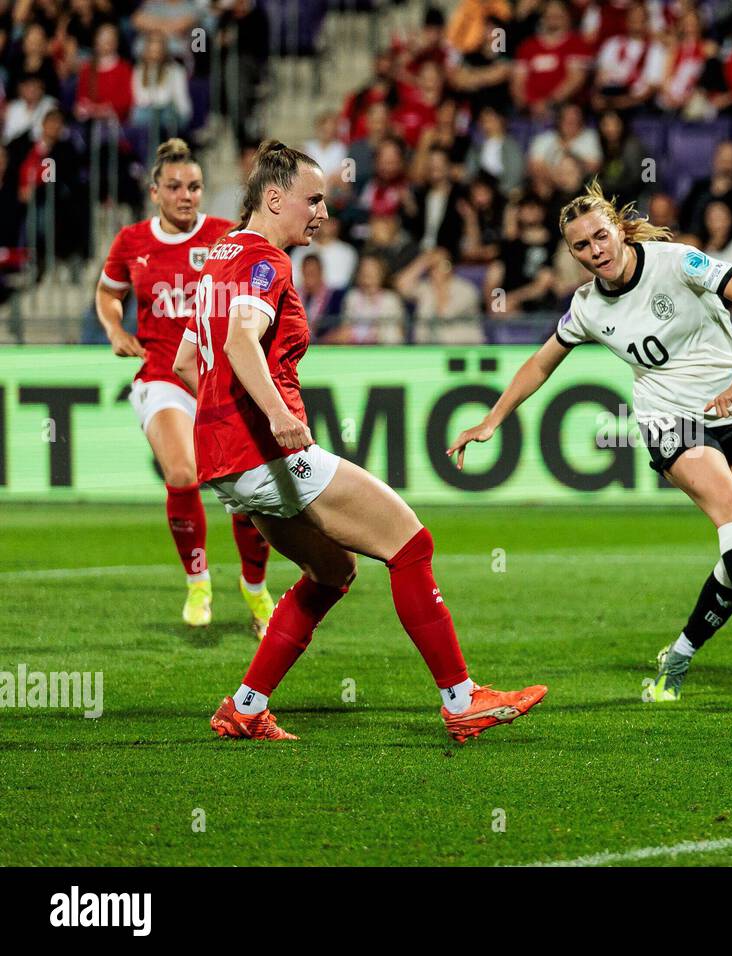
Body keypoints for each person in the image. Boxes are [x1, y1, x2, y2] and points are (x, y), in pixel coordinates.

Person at [173, 141, 546, 742]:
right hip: (270, 452)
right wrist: (274, 416)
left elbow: (191, 361)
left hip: (226, 462)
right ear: (274, 199)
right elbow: (242, 344)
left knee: (332, 571)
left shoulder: (219, 259)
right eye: (312, 199)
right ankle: (461, 701)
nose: (322, 212)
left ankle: (243, 708)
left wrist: (228, 424)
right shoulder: (267, 261)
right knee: (410, 543)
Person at [447, 181, 732, 702]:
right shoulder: (588, 307)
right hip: (672, 419)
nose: (595, 251)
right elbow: (542, 360)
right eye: (581, 246)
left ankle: (679, 657)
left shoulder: (679, 262)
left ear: (618, 228)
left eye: (600, 236)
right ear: (571, 253)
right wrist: (493, 419)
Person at [95, 138, 274, 637]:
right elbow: (108, 294)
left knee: (250, 495)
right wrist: (114, 329)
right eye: (174, 187)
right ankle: (198, 581)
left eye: (194, 186)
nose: (186, 195)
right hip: (162, 376)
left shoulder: (224, 236)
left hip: (219, 381)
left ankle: (255, 589)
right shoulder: (132, 241)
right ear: (155, 192)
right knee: (181, 473)